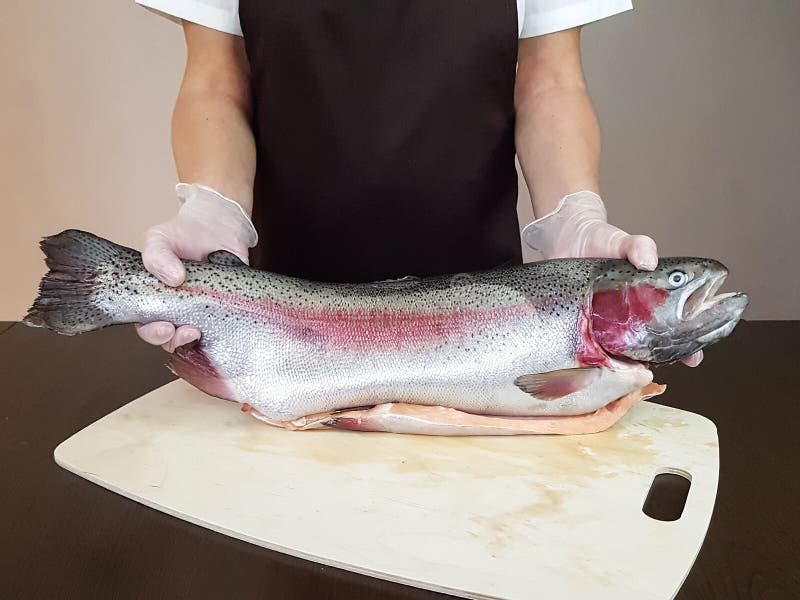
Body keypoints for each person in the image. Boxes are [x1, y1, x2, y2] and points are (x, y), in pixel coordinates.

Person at [134, 0, 702, 366]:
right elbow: (215, 80)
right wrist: (212, 205)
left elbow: (550, 82)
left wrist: (574, 212)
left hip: (490, 325)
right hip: (285, 318)